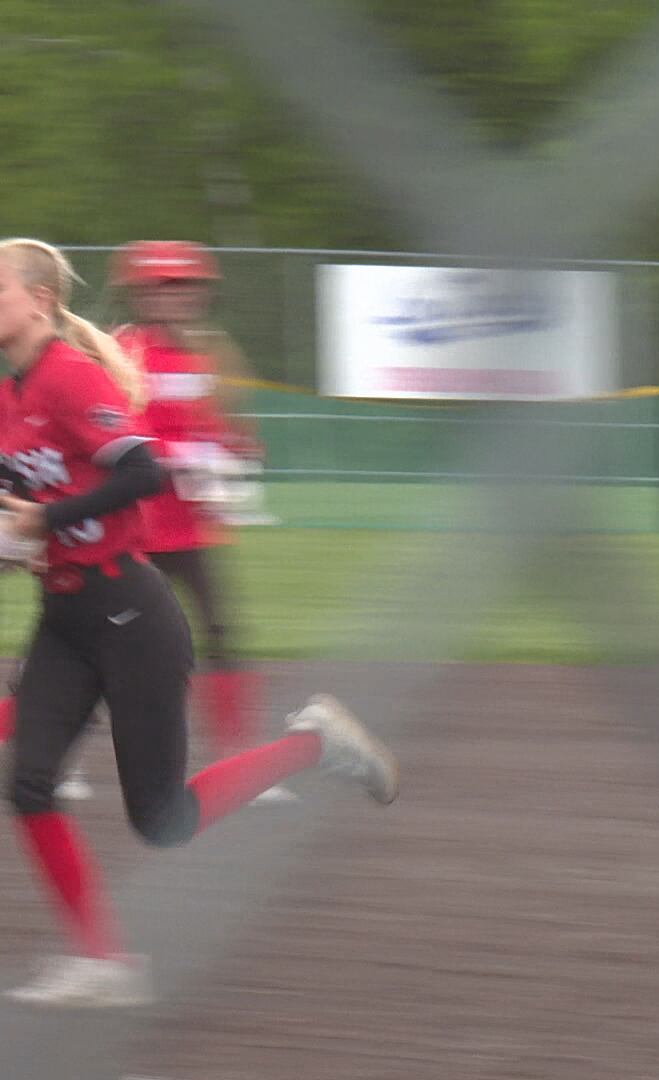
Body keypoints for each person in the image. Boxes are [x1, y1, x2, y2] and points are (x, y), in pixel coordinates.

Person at [0, 237, 398, 1008]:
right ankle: (104, 964)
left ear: (40, 300)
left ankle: (314, 743)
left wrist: (42, 522)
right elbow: (21, 502)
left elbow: (142, 473)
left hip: (129, 616)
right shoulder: (9, 393)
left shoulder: (68, 374)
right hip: (65, 616)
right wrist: (18, 538)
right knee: (28, 783)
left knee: (164, 820)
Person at [47, 240, 289, 806]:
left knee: (222, 636)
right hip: (134, 530)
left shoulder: (205, 355)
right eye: (163, 287)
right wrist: (187, 455)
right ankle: (56, 759)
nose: (177, 297)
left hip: (189, 530)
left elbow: (220, 428)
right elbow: (118, 431)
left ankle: (239, 764)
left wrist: (233, 453)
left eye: (186, 286)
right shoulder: (123, 351)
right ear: (140, 293)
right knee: (106, 646)